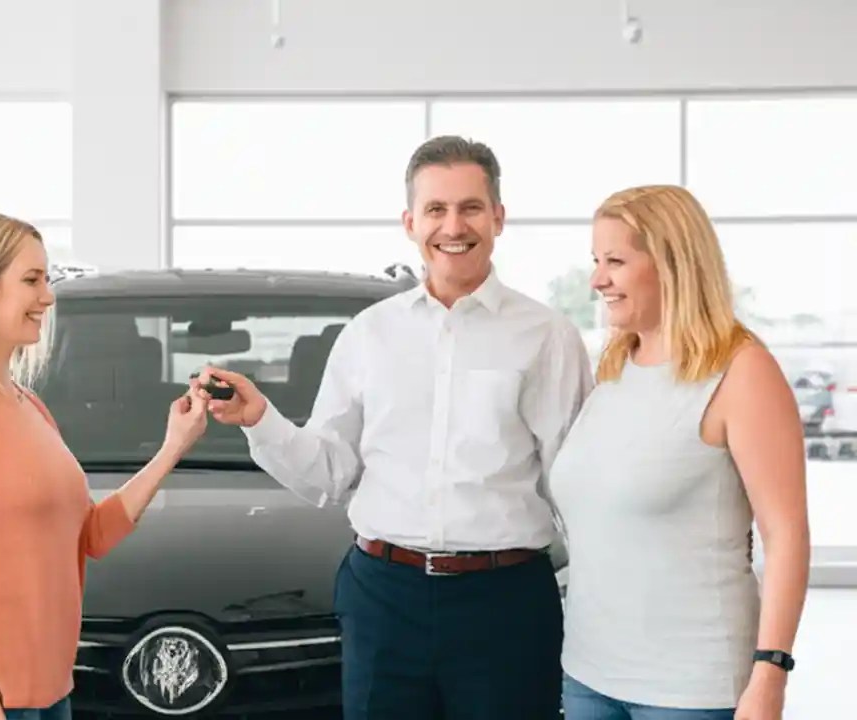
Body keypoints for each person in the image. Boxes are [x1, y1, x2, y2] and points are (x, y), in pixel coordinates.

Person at [194, 135, 594, 719]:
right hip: (385, 596)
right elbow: (328, 473)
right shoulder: (368, 334)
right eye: (436, 209)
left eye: (470, 207)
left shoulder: (546, 336)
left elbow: (575, 487)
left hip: (504, 602)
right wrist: (260, 418)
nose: (452, 226)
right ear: (410, 222)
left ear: (499, 218)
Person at [0, 212, 210, 720]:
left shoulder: (28, 405)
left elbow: (92, 535)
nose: (47, 297)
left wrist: (173, 447)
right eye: (31, 280)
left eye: (46, 280)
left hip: (48, 694)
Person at [548, 185, 810, 720]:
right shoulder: (615, 366)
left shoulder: (742, 372)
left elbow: (786, 536)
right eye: (596, 261)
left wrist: (770, 674)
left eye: (615, 261)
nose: (597, 279)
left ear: (672, 263)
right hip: (588, 673)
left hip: (691, 689)